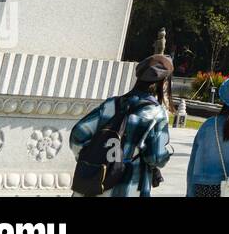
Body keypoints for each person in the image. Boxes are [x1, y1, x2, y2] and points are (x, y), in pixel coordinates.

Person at [69, 54, 174, 197]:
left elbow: (77, 134)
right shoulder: (155, 113)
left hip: (94, 185)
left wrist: (96, 157)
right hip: (127, 188)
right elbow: (156, 157)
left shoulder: (111, 104)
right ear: (164, 83)